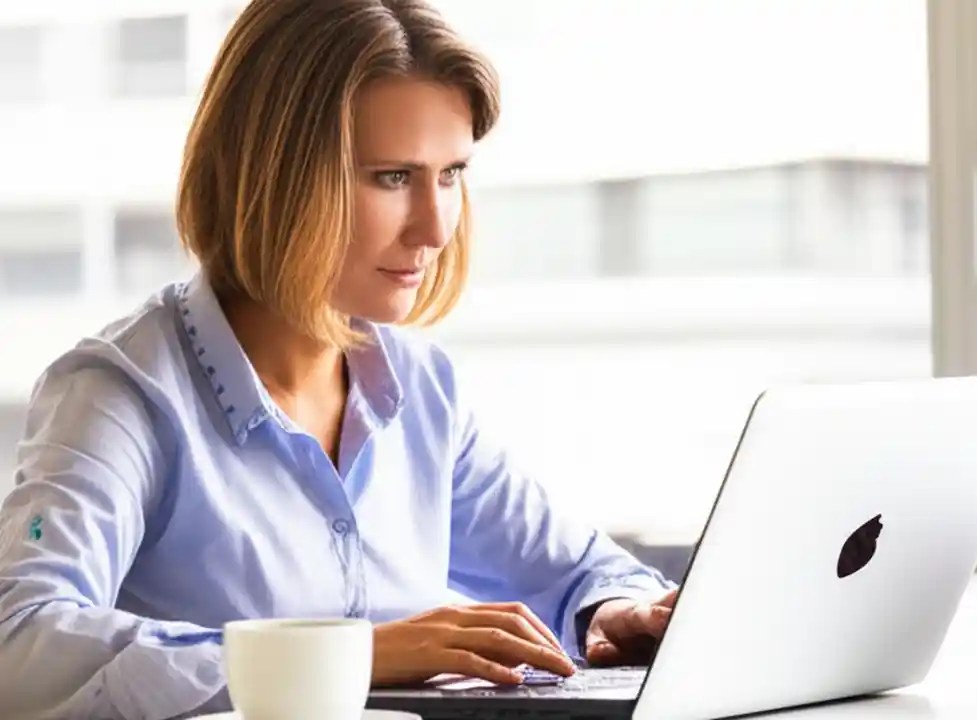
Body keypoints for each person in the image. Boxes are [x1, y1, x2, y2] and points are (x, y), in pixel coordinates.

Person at [0, 1, 679, 717]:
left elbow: (577, 571)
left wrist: (614, 609)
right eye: (392, 177)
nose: (436, 227)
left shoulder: (419, 390)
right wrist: (357, 652)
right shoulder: (123, 397)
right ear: (273, 175)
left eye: (451, 174)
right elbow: (20, 646)